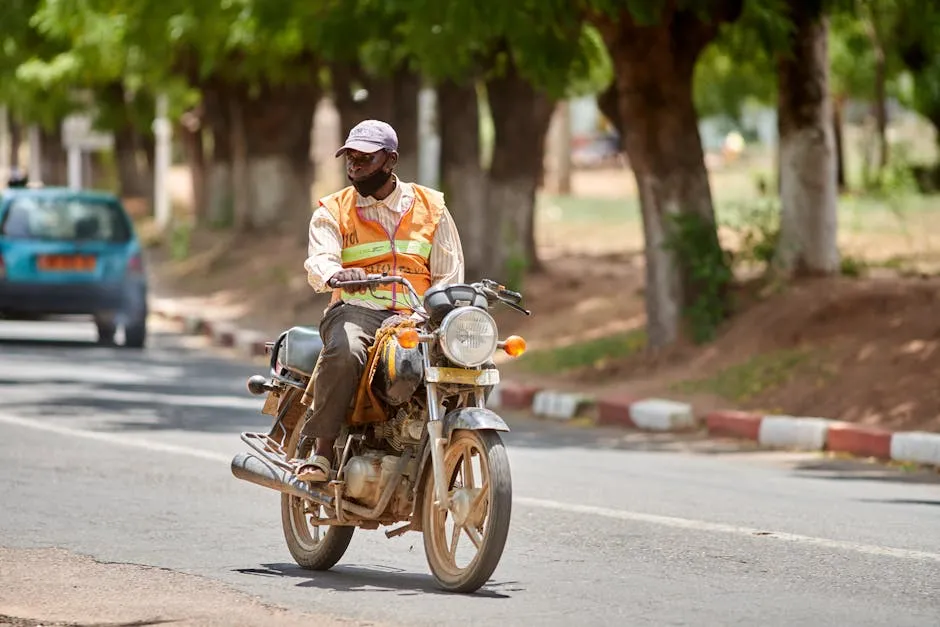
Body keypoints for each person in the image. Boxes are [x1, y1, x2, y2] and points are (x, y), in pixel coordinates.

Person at [295, 119, 465, 483]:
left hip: (417, 317)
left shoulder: (430, 207)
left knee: (467, 361)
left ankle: (454, 441)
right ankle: (322, 450)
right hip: (358, 312)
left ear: (390, 160)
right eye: (350, 157)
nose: (355, 164)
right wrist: (337, 274)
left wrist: (437, 313)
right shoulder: (333, 209)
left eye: (366, 158)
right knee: (345, 349)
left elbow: (449, 273)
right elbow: (320, 259)